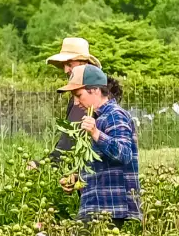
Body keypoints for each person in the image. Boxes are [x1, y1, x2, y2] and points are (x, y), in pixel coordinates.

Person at [61, 64, 141, 223]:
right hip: (95, 207)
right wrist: (78, 178)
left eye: (79, 95)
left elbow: (125, 154)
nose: (76, 102)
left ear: (95, 90)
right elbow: (103, 164)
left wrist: (96, 133)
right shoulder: (97, 119)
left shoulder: (114, 115)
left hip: (112, 209)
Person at [43, 36, 99, 164]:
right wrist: (47, 162)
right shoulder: (74, 99)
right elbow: (68, 139)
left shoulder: (98, 99)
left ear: (84, 64)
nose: (65, 70)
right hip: (71, 165)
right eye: (64, 65)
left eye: (69, 64)